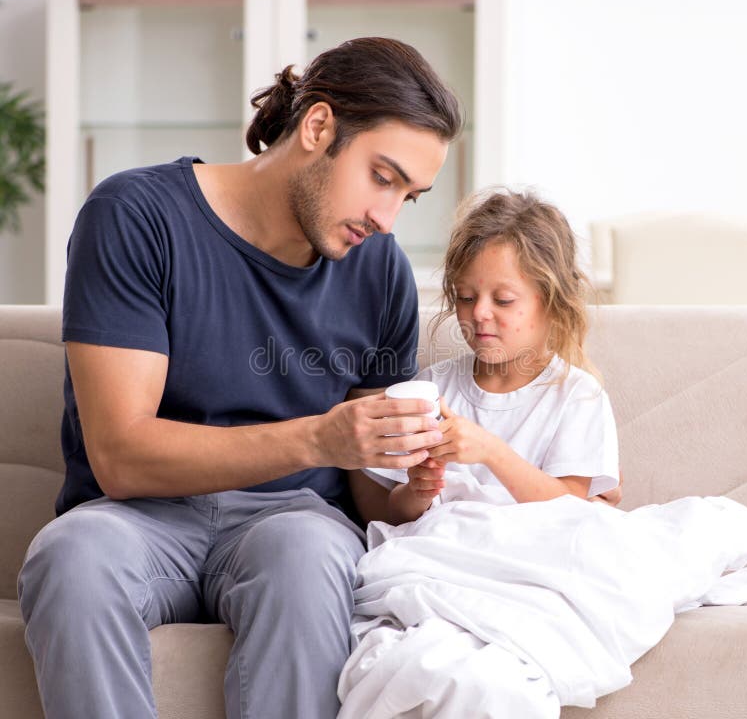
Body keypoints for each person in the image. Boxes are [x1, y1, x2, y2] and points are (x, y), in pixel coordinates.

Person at [17, 37, 462, 719]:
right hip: (139, 519)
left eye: (410, 195)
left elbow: (367, 494)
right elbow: (120, 456)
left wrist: (403, 491)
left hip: (291, 522)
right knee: (72, 557)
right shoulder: (138, 217)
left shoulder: (380, 272)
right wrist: (320, 439)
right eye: (382, 176)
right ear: (318, 128)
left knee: (312, 556)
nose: (387, 216)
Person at [347, 187, 621, 525]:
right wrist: (418, 491)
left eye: (503, 300)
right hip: (444, 551)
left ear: (553, 303)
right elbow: (395, 515)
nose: (479, 313)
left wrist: (490, 452)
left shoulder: (578, 396)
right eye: (465, 297)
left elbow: (570, 509)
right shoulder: (432, 387)